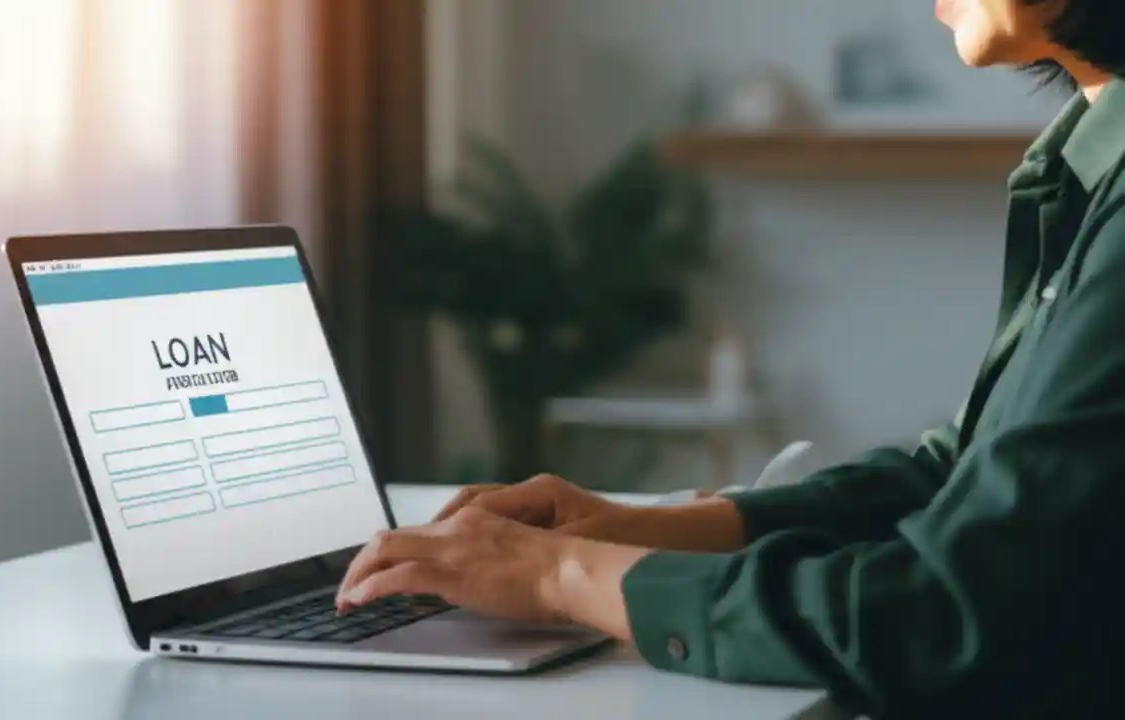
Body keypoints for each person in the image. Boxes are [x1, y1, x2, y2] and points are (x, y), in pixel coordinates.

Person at [337, 1, 1125, 715]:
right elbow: (954, 477)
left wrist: (559, 577)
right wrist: (645, 529)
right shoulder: (1087, 163)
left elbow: (934, 614)